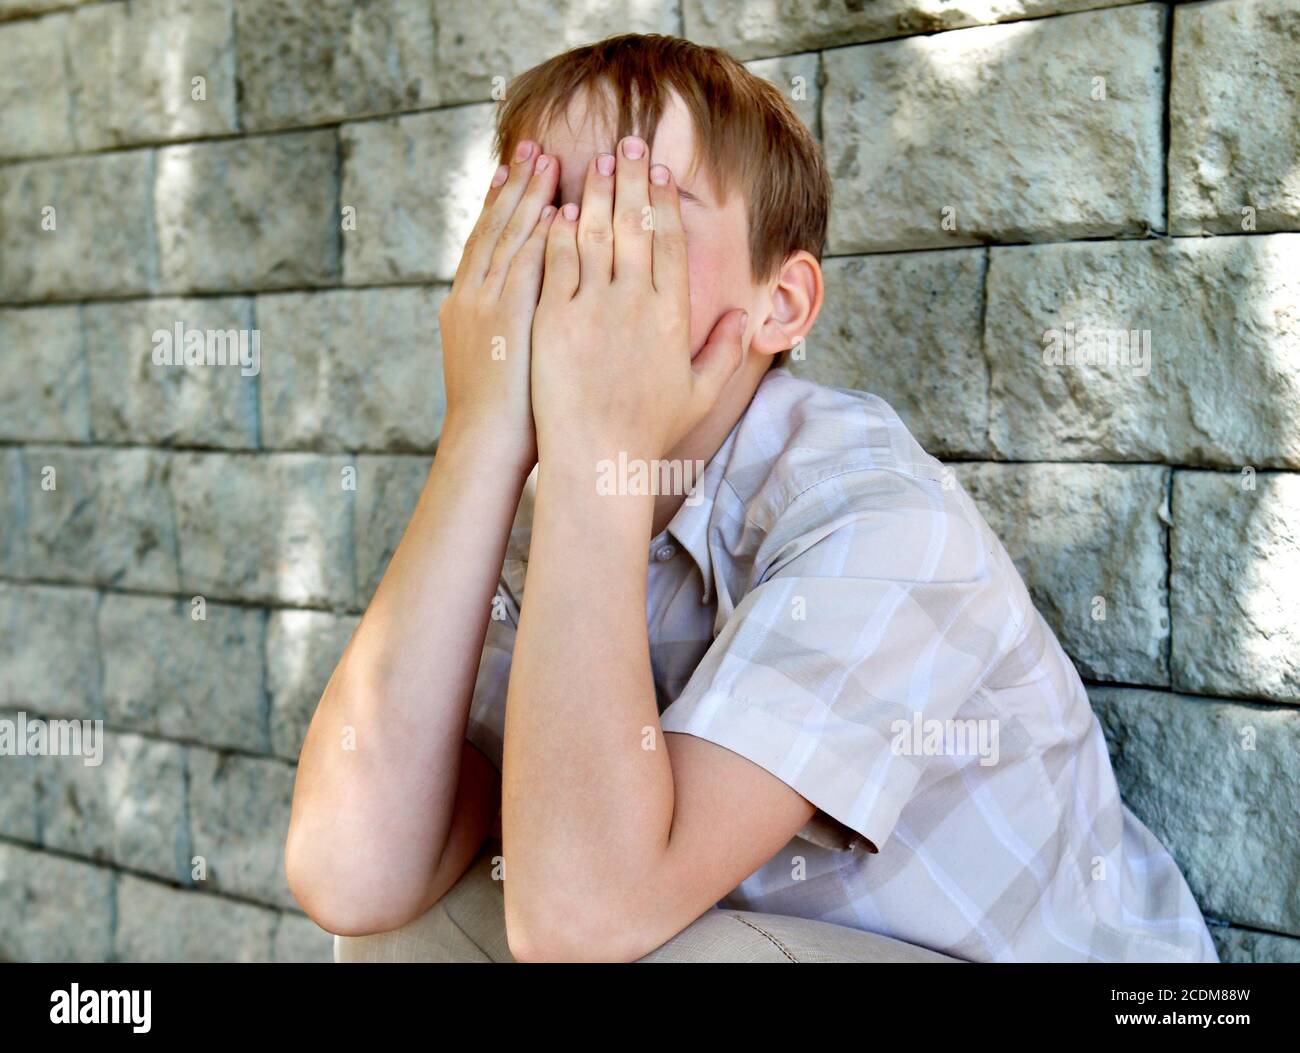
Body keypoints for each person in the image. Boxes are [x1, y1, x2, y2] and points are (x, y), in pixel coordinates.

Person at [285, 34, 1217, 964]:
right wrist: (480, 434)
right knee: (411, 925)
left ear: (780, 304)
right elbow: (353, 871)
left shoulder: (878, 516)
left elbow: (580, 921)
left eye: (639, 212)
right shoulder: (559, 517)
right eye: (547, 211)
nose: (579, 259)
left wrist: (599, 442)